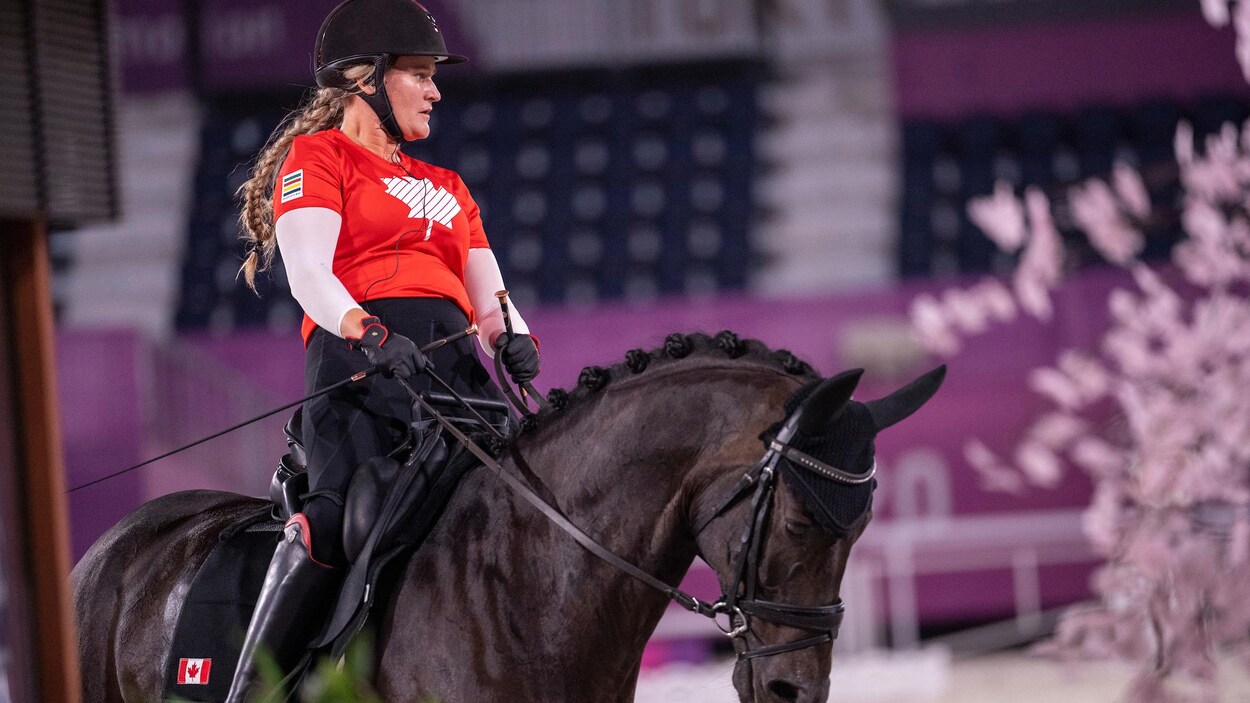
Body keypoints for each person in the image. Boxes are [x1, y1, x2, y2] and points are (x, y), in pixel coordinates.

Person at [225, 0, 540, 698]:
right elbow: (309, 273)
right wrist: (367, 331)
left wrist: (513, 338)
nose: (435, 90)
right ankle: (256, 687)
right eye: (420, 75)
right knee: (336, 518)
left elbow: (492, 298)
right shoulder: (319, 157)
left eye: (434, 77)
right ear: (364, 80)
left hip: (457, 381)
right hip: (359, 371)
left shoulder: (449, 187)